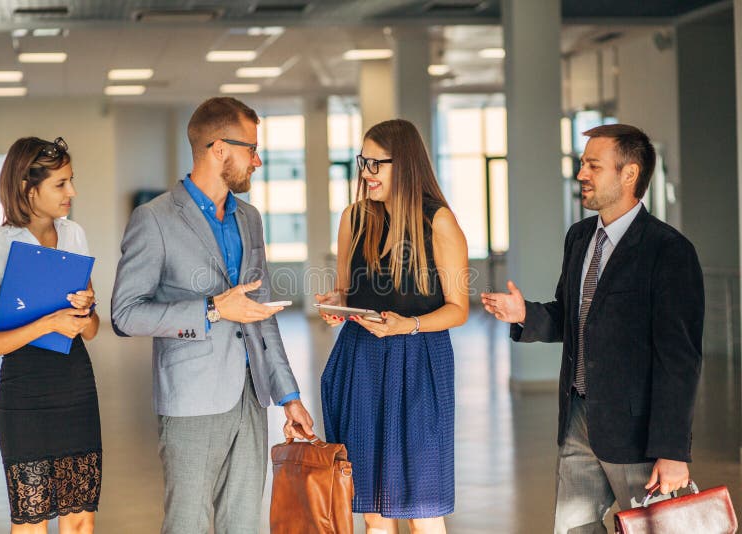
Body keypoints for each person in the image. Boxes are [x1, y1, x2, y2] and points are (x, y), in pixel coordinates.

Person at [481, 124, 704, 533]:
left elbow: (680, 360)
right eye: (582, 164)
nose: (582, 174)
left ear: (629, 174)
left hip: (637, 434)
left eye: (593, 165)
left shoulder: (669, 251)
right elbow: (572, 315)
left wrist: (672, 451)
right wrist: (525, 314)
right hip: (578, 420)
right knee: (573, 528)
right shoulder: (581, 237)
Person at [111, 96, 315, 534]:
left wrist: (288, 395)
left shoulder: (250, 218)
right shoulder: (155, 219)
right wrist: (211, 310)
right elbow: (125, 315)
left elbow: (260, 312)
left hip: (252, 395)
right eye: (251, 149)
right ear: (218, 148)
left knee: (242, 524)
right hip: (191, 399)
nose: (257, 161)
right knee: (187, 523)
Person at [317, 119, 469, 534]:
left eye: (375, 164)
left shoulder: (439, 223)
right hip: (361, 362)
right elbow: (345, 291)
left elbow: (458, 309)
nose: (365, 173)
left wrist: (410, 325)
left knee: (422, 508)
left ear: (404, 165)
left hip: (419, 363)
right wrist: (336, 305)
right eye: (362, 162)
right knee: (373, 511)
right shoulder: (354, 218)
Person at [0, 137, 101, 533]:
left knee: (80, 520)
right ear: (28, 187)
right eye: (60, 184)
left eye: (70, 180)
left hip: (76, 388)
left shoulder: (74, 234)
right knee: (32, 522)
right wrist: (47, 324)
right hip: (26, 397)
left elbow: (91, 330)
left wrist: (86, 311)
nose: (71, 192)